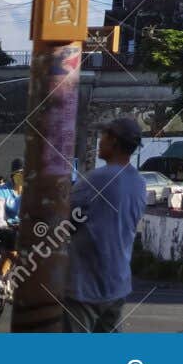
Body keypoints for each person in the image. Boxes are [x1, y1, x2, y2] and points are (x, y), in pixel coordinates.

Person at [63, 117, 148, 333]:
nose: (100, 141)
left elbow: (64, 219)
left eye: (104, 136)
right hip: (117, 284)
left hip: (85, 286)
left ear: (114, 141)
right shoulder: (138, 182)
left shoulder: (97, 179)